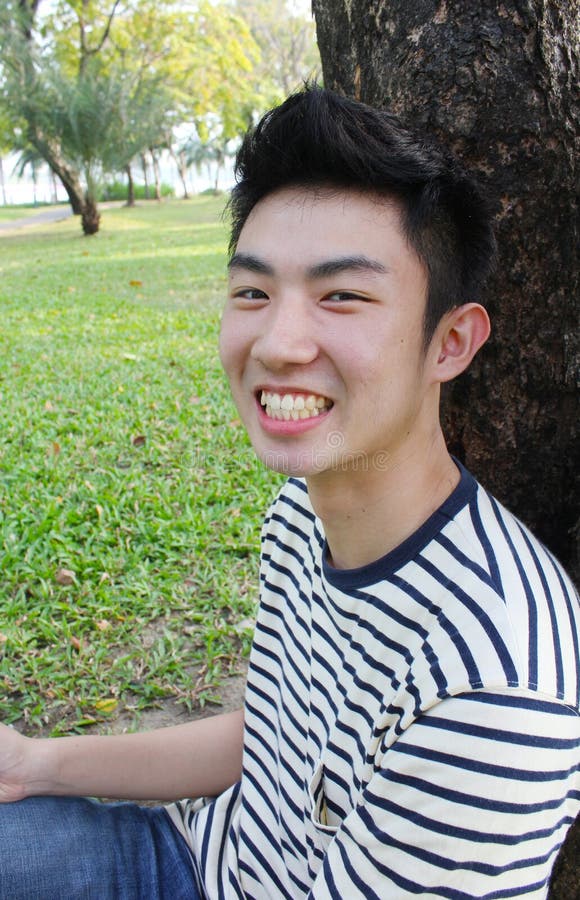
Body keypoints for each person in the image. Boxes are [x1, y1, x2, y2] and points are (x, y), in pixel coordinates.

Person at [0, 86, 578, 900]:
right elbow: (273, 738)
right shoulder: (300, 516)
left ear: (449, 342)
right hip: (186, 859)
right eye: (253, 292)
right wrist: (36, 762)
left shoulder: (491, 682)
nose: (278, 342)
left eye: (342, 294)